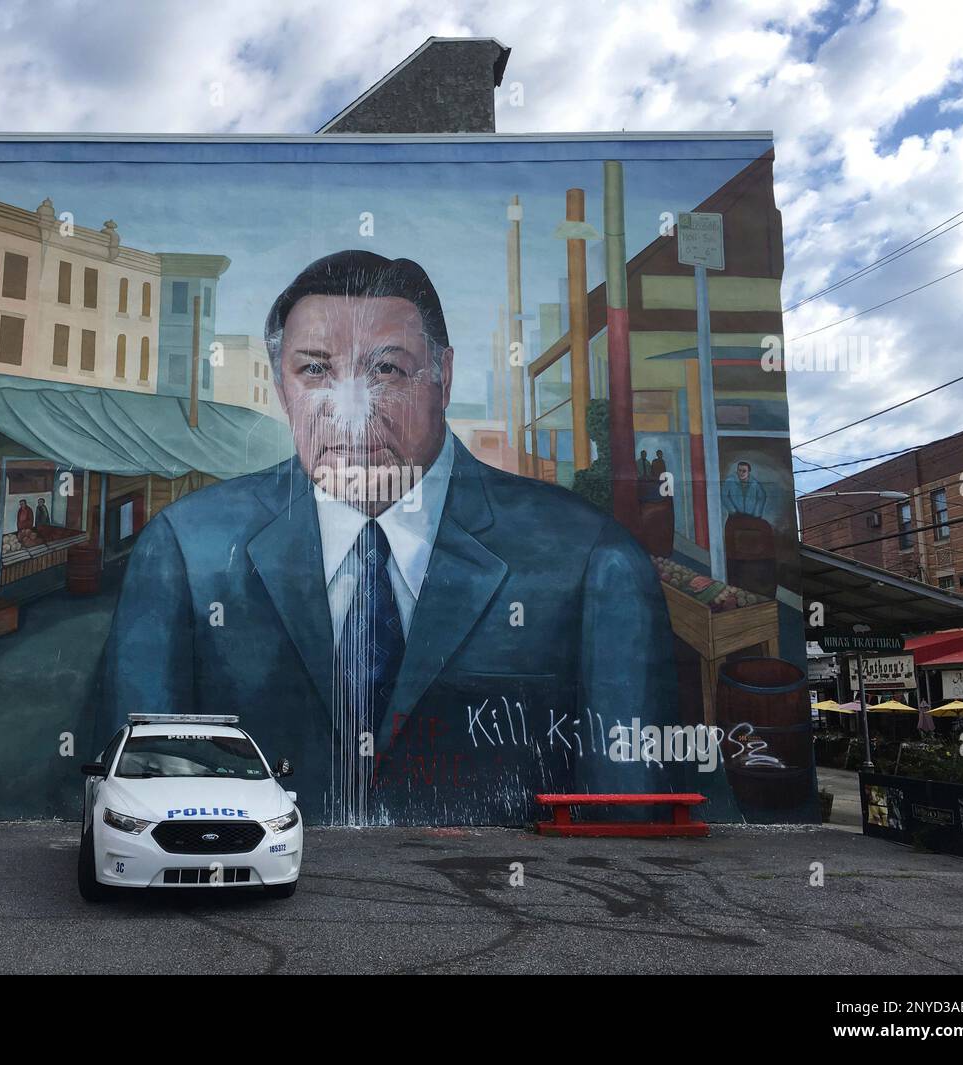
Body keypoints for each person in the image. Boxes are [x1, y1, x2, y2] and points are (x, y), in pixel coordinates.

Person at [100, 249, 701, 827]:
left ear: (443, 377)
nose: (351, 411)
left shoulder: (592, 560)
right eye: (315, 370)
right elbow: (135, 797)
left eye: (386, 369)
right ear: (281, 387)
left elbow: (626, 827)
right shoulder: (185, 549)